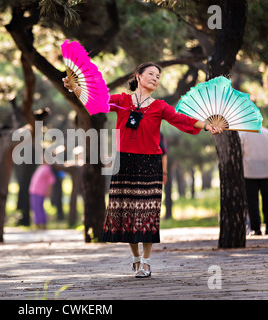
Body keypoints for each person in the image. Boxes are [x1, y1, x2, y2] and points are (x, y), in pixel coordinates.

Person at [63, 62, 223, 278]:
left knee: (147, 213)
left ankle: (146, 262)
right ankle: (136, 258)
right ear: (138, 76)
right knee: (127, 213)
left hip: (150, 163)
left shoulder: (160, 106)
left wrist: (207, 125)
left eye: (158, 76)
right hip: (124, 163)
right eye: (151, 74)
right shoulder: (121, 100)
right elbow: (96, 101)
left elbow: (181, 119)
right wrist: (75, 87)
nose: (155, 79)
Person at [239, 127, 268, 235]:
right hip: (267, 173)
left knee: (252, 202)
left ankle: (256, 228)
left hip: (249, 173)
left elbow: (240, 154)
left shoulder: (243, 134)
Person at [29, 160, 56, 229]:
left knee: (38, 208)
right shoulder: (41, 167)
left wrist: (49, 192)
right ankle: (39, 223)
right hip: (34, 191)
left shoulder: (47, 168)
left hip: (39, 191)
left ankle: (40, 224)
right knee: (36, 207)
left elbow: (51, 181)